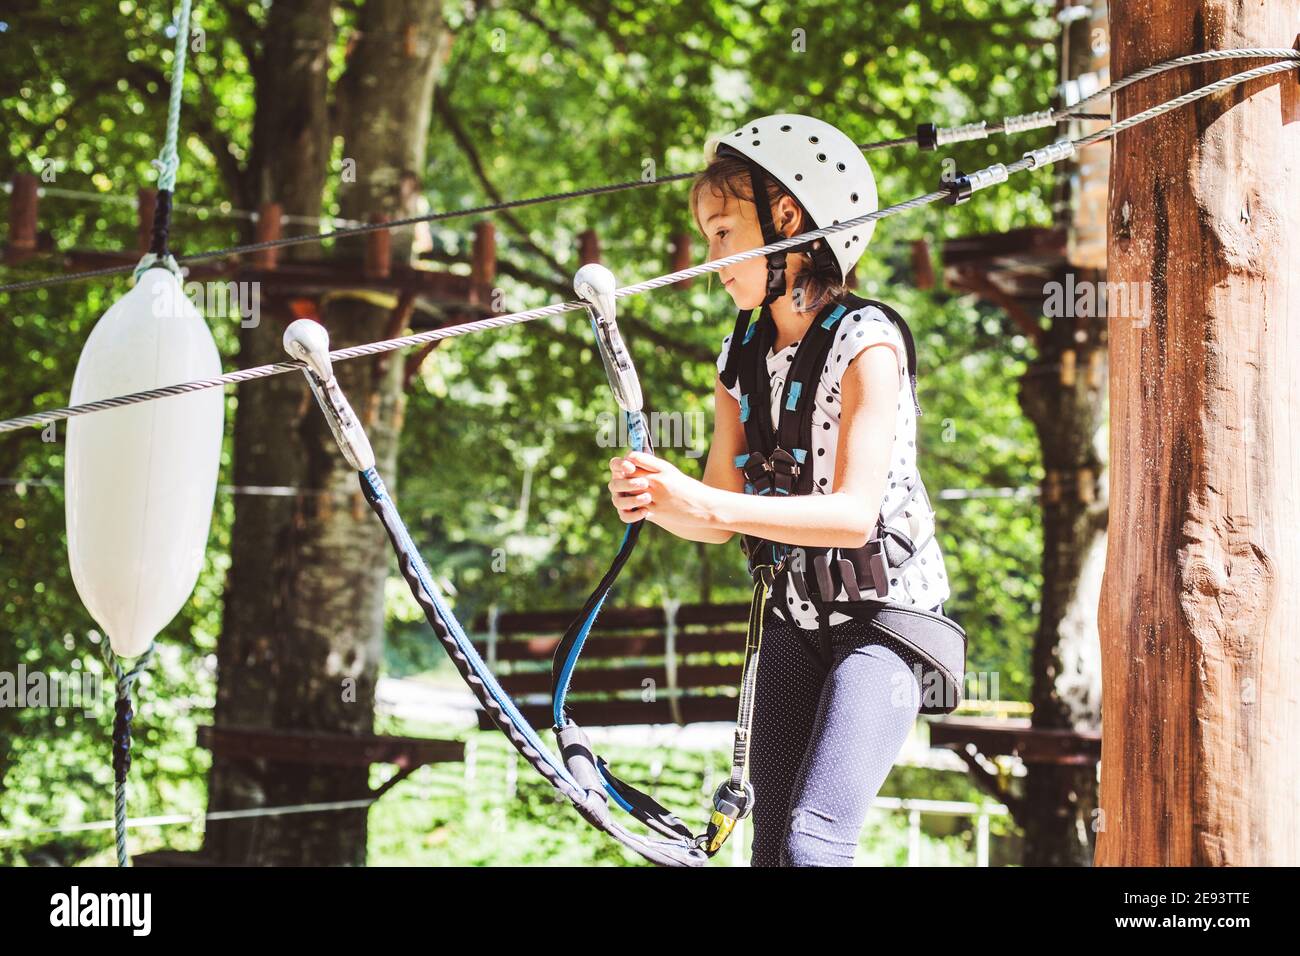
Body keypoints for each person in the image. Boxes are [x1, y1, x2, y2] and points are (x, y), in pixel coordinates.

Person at [605, 114, 953, 866]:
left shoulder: (869, 342)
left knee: (812, 841)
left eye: (723, 232)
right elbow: (717, 515)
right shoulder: (741, 354)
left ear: (787, 218)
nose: (710, 259)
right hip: (797, 620)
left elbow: (853, 517)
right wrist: (655, 499)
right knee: (770, 849)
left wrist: (701, 502)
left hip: (887, 627)